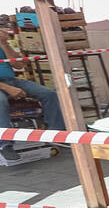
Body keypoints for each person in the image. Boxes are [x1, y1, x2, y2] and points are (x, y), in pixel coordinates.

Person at [0, 23, 64, 160]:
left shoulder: (2, 43)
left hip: (11, 79)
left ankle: (55, 133)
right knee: (0, 101)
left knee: (50, 94)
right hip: (3, 85)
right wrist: (7, 88)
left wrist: (4, 43)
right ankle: (5, 144)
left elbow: (19, 65)